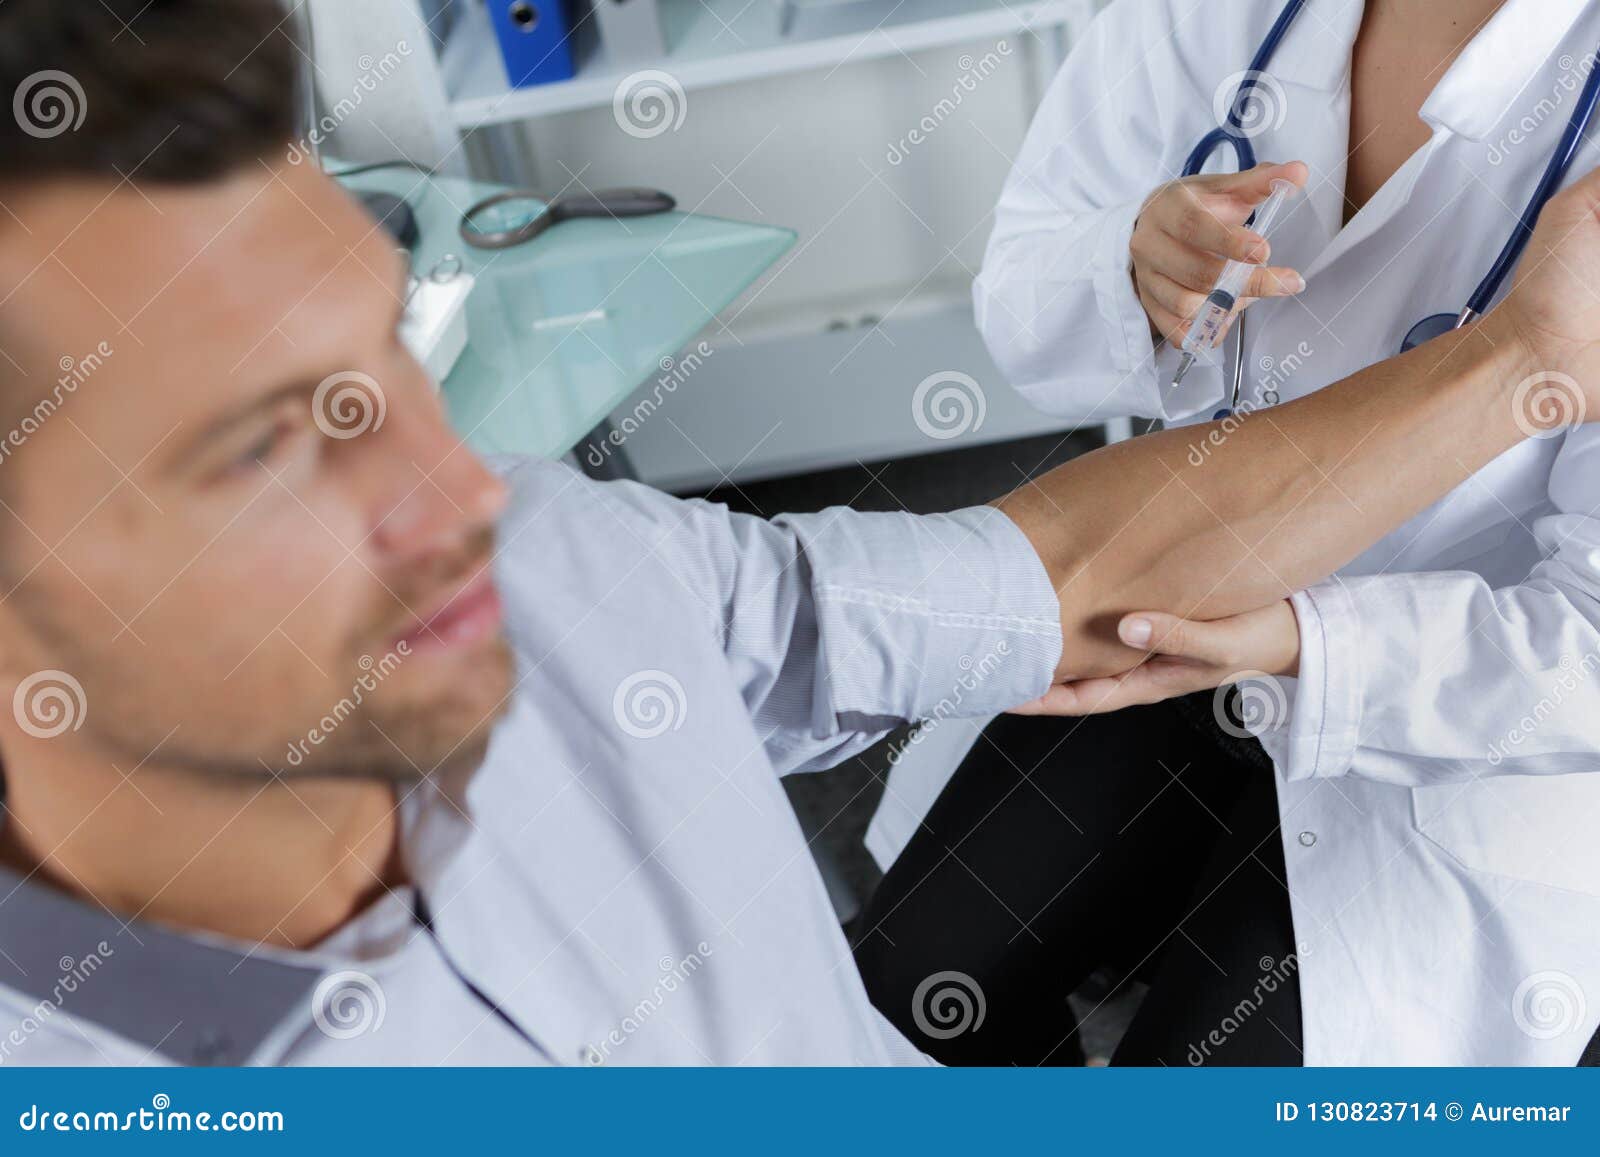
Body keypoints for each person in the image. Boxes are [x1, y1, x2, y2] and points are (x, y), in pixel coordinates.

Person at [0, 0, 1597, 1068]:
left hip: (1418, 759)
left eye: (383, 361)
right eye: (273, 441)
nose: (465, 489)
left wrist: (1528, 367)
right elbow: (1043, 309)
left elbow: (1060, 585)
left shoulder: (559, 574)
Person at [855, 0, 1600, 1065]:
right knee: (906, 985)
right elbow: (1020, 287)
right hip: (1188, 583)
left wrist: (1306, 637)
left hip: (1463, 719)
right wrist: (1126, 263)